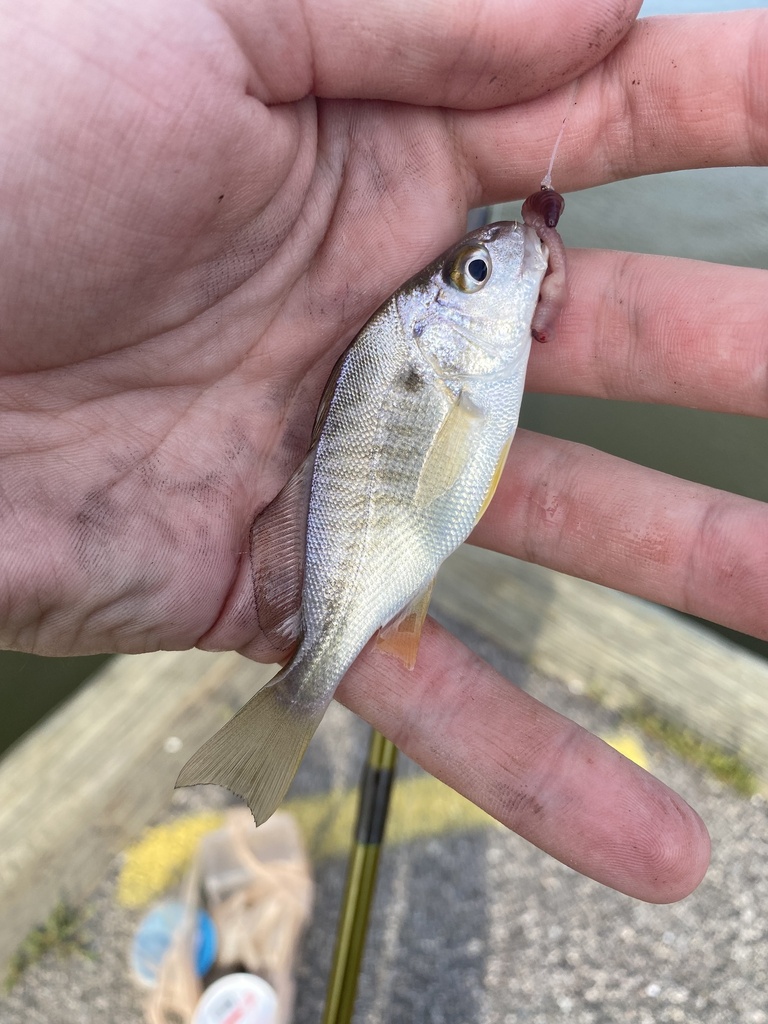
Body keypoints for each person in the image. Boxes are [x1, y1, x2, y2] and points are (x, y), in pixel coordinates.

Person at [1, 0, 765, 904]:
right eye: (473, 274)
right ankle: (301, 692)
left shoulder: (455, 350)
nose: (506, 259)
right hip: (374, 550)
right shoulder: (424, 349)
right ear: (444, 317)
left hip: (380, 540)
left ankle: (298, 695)